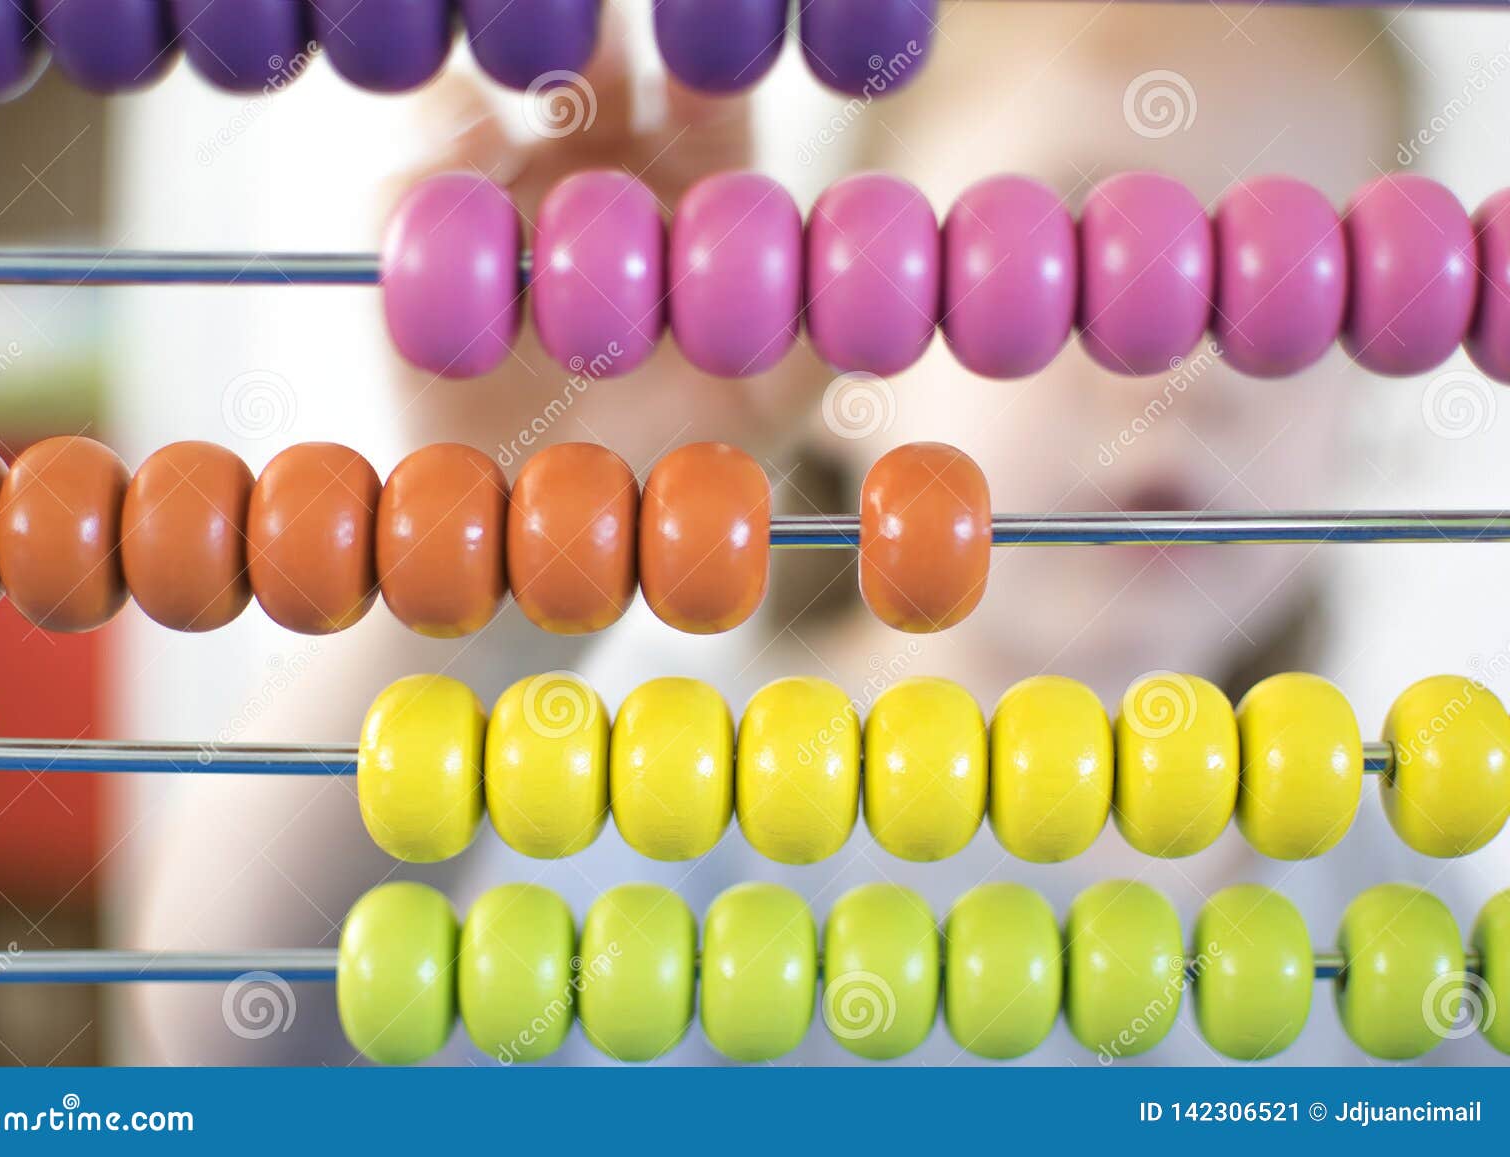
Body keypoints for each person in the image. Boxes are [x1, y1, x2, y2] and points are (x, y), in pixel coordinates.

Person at [117, 2, 1507, 1064]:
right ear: (852, 338)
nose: (1186, 371)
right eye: (1081, 257)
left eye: (1289, 296)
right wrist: (507, 559)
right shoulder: (669, 787)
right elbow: (243, 1029)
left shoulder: (1385, 869)